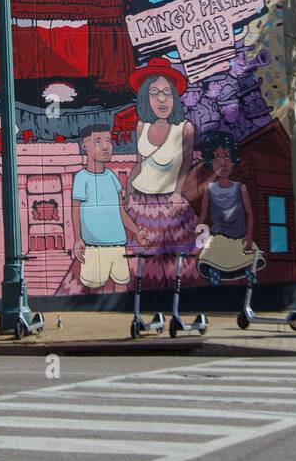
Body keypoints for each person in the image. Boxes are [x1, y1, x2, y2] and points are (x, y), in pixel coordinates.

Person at [123, 57, 198, 288]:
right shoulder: (141, 126)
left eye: (167, 92)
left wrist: (177, 192)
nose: (162, 99)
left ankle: (175, 302)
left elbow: (186, 163)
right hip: (141, 203)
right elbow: (140, 163)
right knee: (144, 262)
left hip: (169, 203)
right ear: (146, 97)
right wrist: (127, 190)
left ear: (175, 97)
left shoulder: (184, 128)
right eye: (154, 92)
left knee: (178, 261)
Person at [71, 124, 148, 293]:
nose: (106, 146)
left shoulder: (112, 177)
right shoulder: (81, 178)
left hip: (117, 245)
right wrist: (78, 239)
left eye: (108, 140)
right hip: (92, 246)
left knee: (121, 284)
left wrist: (137, 232)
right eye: (98, 142)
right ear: (85, 146)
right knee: (94, 287)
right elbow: (75, 210)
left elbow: (120, 211)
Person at [196, 130, 260, 282]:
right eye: (217, 157)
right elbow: (203, 215)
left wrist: (249, 237)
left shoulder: (240, 188)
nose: (222, 162)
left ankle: (252, 297)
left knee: (250, 270)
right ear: (210, 161)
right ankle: (215, 298)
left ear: (233, 160)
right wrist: (198, 234)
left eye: (226, 156)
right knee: (213, 267)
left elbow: (249, 214)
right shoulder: (209, 189)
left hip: (241, 238)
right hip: (219, 238)